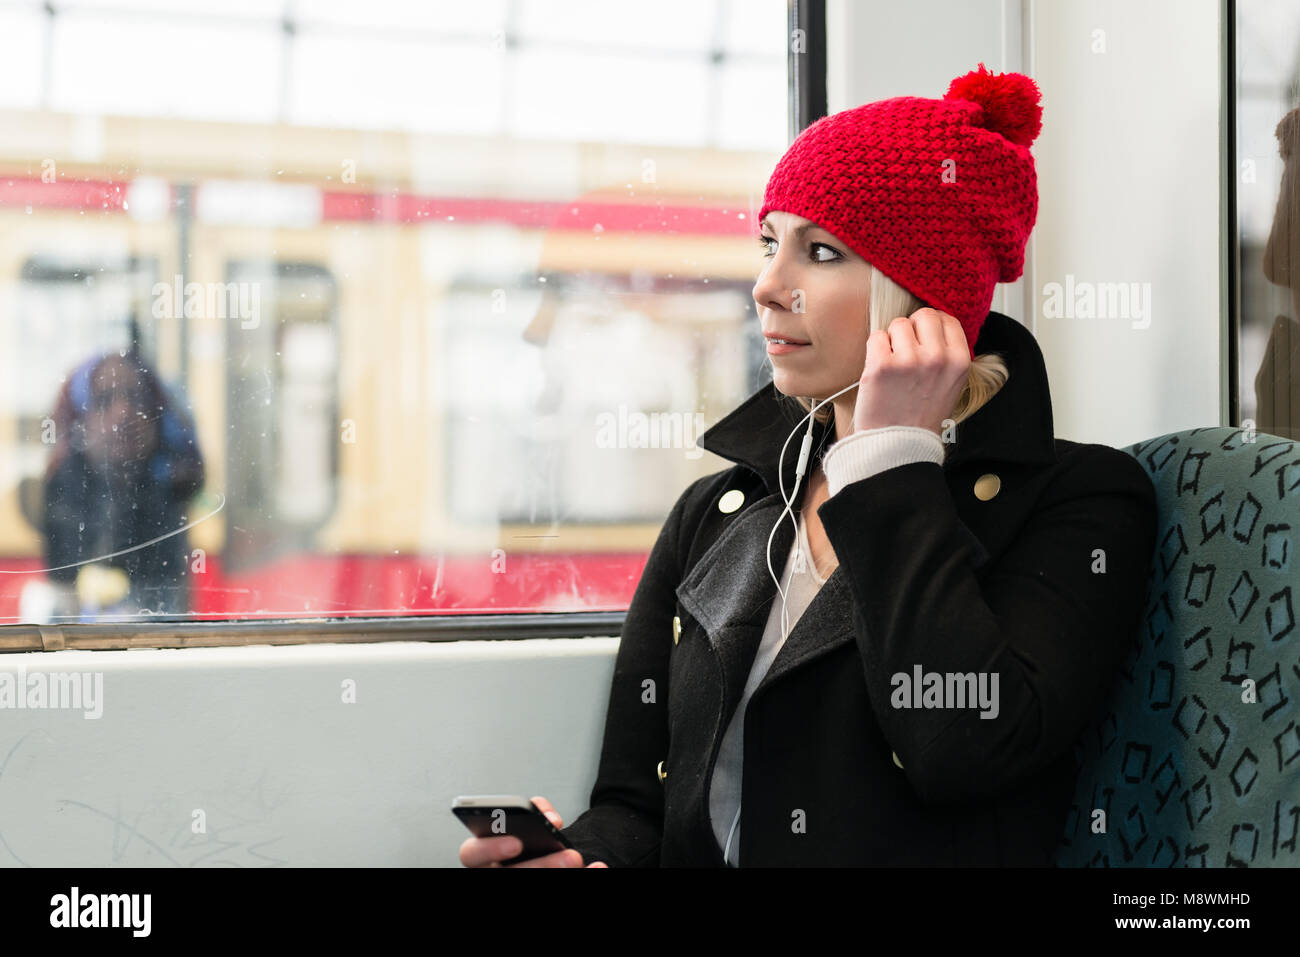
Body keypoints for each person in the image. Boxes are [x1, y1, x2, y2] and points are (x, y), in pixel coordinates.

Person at [460, 63, 1157, 867]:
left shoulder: (1081, 502)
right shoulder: (717, 510)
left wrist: (891, 461)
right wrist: (583, 857)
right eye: (768, 244)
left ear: (919, 297)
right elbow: (636, 804)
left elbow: (963, 746)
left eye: (820, 251)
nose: (765, 285)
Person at [42, 348, 206, 619]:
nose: (123, 412)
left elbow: (169, 600)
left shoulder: (166, 481)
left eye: (136, 398)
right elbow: (64, 593)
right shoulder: (65, 483)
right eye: (105, 400)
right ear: (82, 420)